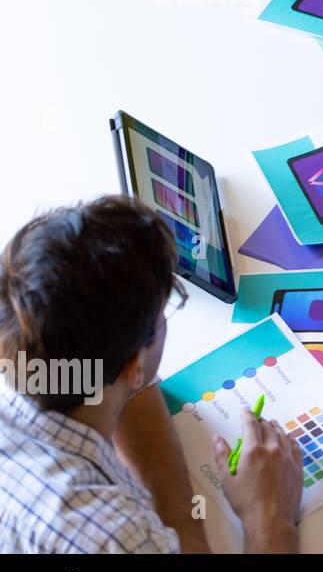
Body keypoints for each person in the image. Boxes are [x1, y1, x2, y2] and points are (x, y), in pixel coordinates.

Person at [0, 196, 302, 553]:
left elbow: (127, 385)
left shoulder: (46, 363)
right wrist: (267, 515)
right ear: (132, 366)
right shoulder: (116, 538)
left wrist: (188, 539)